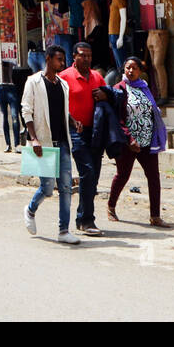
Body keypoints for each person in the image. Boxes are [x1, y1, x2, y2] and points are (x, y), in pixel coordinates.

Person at [22, 45, 79, 245]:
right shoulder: (33, 82)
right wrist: (34, 138)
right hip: (44, 143)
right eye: (58, 60)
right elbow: (26, 111)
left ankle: (64, 230)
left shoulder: (63, 85)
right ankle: (30, 209)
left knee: (65, 187)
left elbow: (62, 110)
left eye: (63, 60)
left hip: (63, 142)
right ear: (48, 59)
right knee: (47, 188)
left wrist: (72, 121)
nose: (61, 64)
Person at [106, 57, 169, 226]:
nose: (131, 71)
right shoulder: (119, 89)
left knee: (154, 177)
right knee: (123, 175)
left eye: (134, 68)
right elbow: (117, 118)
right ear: (123, 70)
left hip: (147, 140)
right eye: (128, 68)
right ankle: (111, 206)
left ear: (140, 71)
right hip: (129, 142)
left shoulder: (145, 88)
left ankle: (155, 216)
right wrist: (129, 138)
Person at [58, 41, 108, 236]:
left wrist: (105, 95)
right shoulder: (64, 78)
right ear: (74, 57)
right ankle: (87, 220)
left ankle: (82, 217)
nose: (86, 59)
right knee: (86, 171)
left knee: (93, 175)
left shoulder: (97, 77)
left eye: (89, 55)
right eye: (82, 55)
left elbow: (109, 97)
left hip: (95, 131)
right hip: (74, 131)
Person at [0, 58, 22, 153]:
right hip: (1, 87)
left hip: (11, 87)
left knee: (14, 116)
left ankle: (16, 143)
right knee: (4, 117)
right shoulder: (0, 62)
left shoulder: (13, 61)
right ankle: (8, 144)